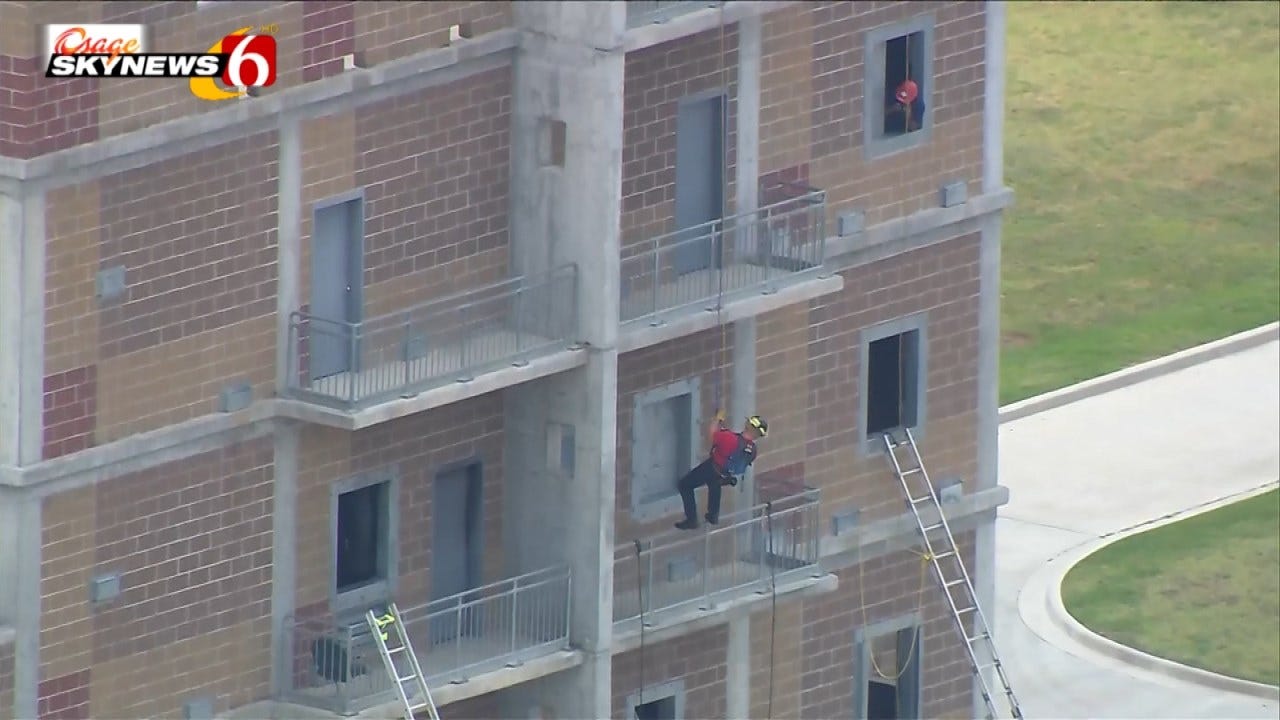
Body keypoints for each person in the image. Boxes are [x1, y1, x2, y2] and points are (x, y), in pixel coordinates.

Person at [674, 411, 769, 530]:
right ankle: (713, 514)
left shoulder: (729, 438)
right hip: (726, 474)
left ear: (749, 427)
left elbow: (712, 434)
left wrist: (717, 419)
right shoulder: (753, 450)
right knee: (714, 483)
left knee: (684, 485)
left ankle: (691, 519)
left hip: (712, 467)